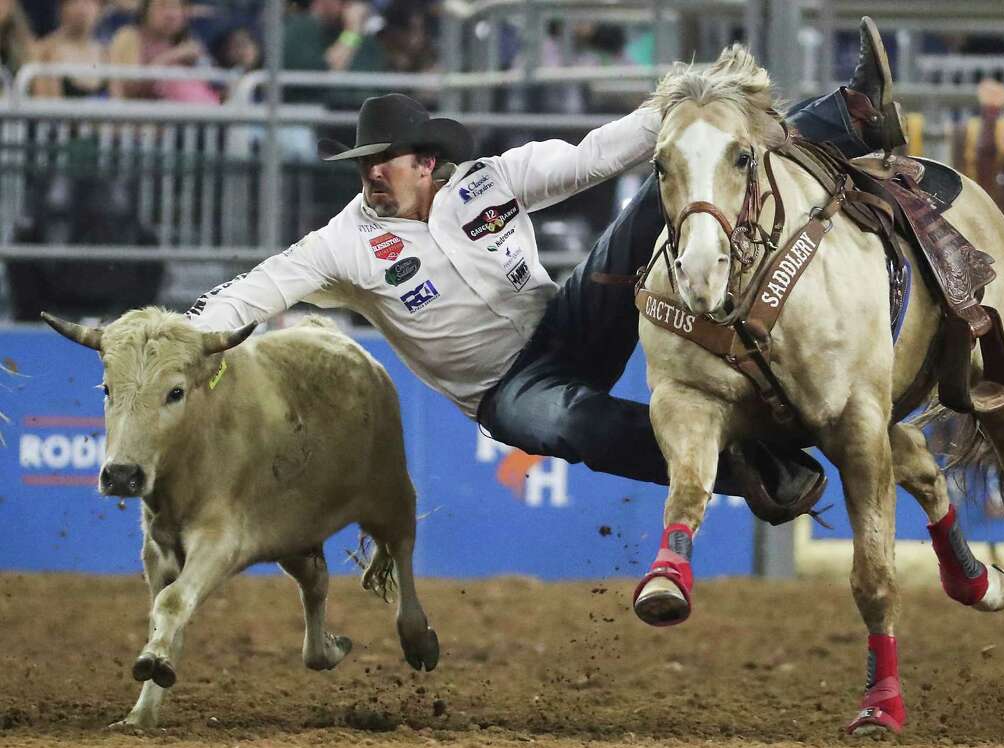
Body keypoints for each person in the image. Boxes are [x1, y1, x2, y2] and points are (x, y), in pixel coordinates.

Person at [187, 18, 908, 523]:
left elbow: (596, 156)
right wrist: (178, 333)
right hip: (505, 389)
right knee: (575, 423)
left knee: (656, 203)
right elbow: (260, 286)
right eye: (365, 164)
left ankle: (842, 114)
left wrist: (687, 105)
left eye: (385, 161)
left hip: (565, 323)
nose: (372, 174)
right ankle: (754, 467)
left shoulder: (489, 179)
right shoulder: (342, 245)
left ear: (425, 162)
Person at [108, 0, 220, 103]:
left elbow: (213, 85)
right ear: (146, 10)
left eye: (177, 7)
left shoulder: (189, 43)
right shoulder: (129, 37)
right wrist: (170, 57)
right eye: (163, 6)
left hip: (193, 117)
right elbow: (129, 89)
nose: (171, 14)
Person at [31, 0, 106, 99]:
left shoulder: (106, 54)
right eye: (74, 2)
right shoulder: (45, 52)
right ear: (62, 7)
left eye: (89, 2)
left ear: (100, 8)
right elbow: (46, 108)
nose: (81, 8)